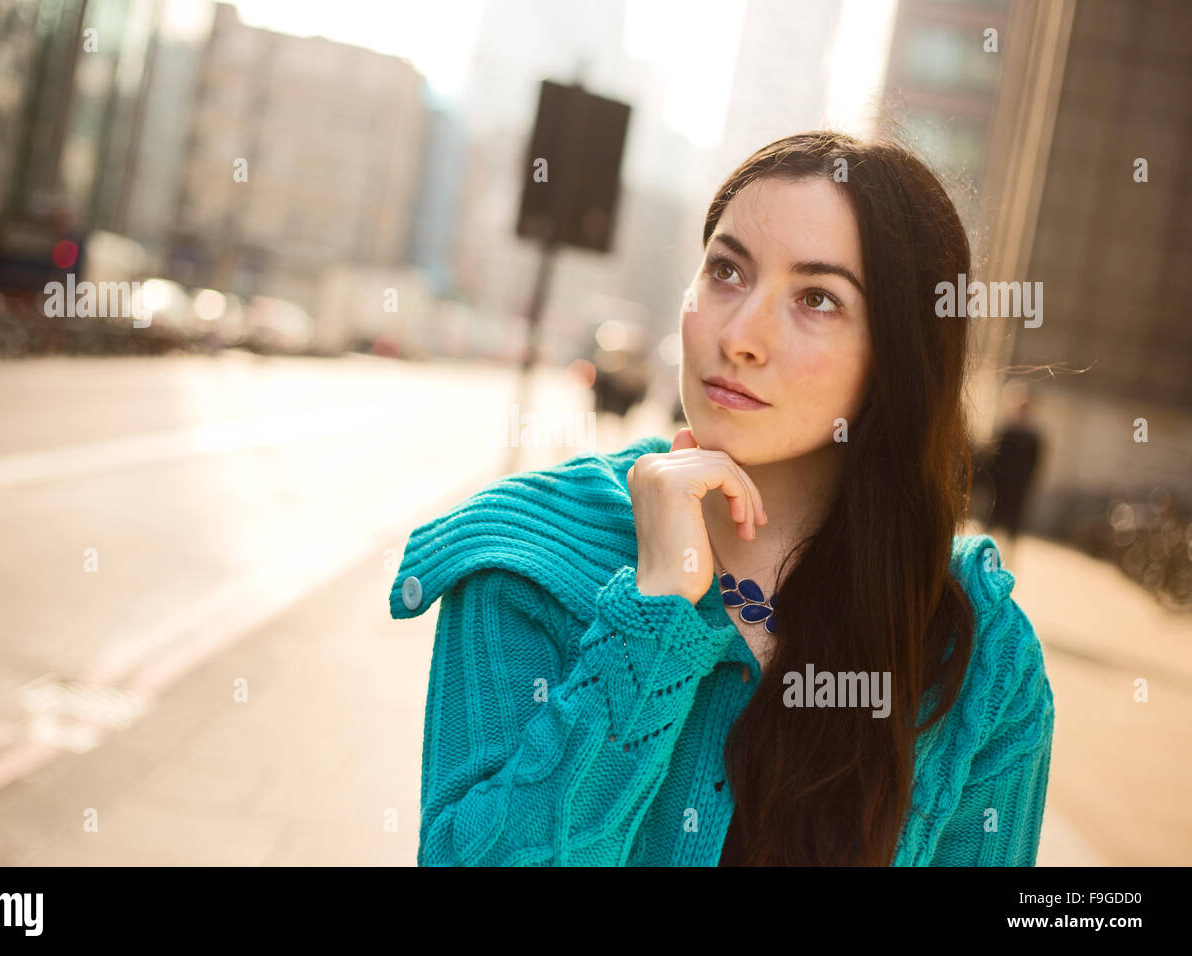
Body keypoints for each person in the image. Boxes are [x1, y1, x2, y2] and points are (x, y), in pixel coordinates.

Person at [389, 131, 1054, 866]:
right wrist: (654, 613)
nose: (739, 335)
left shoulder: (980, 653)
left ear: (898, 357)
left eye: (817, 299)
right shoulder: (529, 557)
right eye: (727, 272)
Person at [984, 384, 1044, 568]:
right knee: (994, 524)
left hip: (1019, 489)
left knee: (1012, 529)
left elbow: (1036, 465)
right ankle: (989, 561)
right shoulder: (1006, 432)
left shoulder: (1034, 438)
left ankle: (1006, 562)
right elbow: (995, 460)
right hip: (1001, 487)